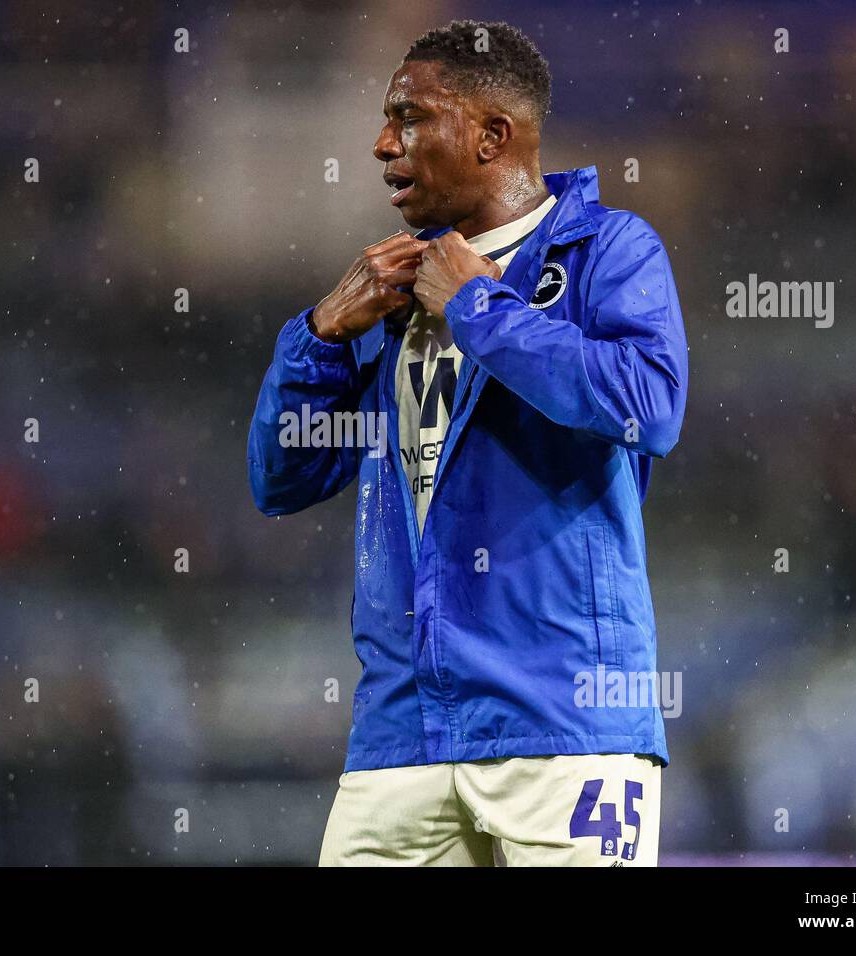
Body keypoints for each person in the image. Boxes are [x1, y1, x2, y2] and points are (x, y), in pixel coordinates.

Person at [248, 19, 688, 866]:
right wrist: (320, 337)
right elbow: (281, 477)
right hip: (403, 734)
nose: (382, 145)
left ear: (494, 135)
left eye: (409, 117)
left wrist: (482, 311)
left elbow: (649, 405)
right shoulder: (393, 294)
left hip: (566, 726)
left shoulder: (607, 252)